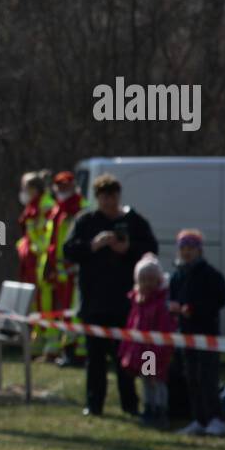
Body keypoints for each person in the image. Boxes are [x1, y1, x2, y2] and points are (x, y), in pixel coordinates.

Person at [63, 173, 158, 418]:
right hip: (94, 302)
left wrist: (127, 249)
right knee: (94, 359)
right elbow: (69, 251)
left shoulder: (134, 221)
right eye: (104, 197)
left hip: (125, 303)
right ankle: (94, 404)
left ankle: (130, 404)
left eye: (113, 196)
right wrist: (92, 246)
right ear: (97, 198)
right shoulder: (86, 221)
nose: (109, 202)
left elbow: (151, 250)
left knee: (125, 358)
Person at [169, 228, 225, 437]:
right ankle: (199, 419)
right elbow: (172, 298)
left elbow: (220, 299)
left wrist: (194, 309)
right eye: (183, 248)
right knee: (192, 378)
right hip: (185, 335)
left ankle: (217, 419)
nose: (187, 252)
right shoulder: (177, 275)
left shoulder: (210, 274)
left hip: (207, 334)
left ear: (199, 250)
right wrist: (174, 308)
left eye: (191, 248)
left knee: (207, 378)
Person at [118, 254, 175, 430]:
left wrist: (159, 350)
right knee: (146, 379)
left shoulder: (160, 303)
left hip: (154, 351)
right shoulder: (137, 301)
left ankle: (159, 410)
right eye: (143, 279)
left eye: (151, 279)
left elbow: (166, 327)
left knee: (156, 381)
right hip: (141, 350)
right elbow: (132, 324)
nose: (147, 283)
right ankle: (149, 407)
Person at [39, 171, 84, 364]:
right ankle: (54, 350)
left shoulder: (81, 208)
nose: (62, 190)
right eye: (59, 186)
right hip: (55, 270)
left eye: (66, 186)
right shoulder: (56, 208)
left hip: (72, 270)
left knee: (72, 311)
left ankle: (74, 351)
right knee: (56, 310)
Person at [16, 170, 53, 347]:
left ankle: (46, 341)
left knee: (44, 303)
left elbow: (49, 236)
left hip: (42, 261)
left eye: (25, 188)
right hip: (33, 263)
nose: (22, 191)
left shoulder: (45, 206)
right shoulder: (32, 207)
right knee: (36, 303)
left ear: (33, 189)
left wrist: (35, 249)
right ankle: (37, 339)